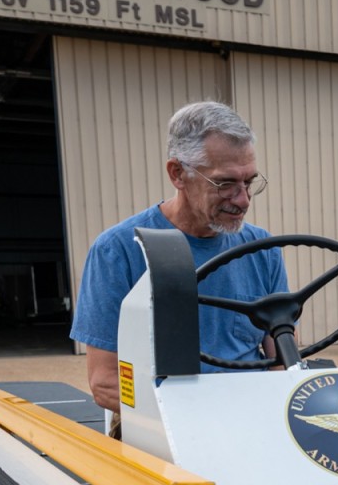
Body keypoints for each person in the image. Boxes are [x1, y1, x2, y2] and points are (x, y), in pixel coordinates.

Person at [70, 100, 288, 413]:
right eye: (225, 184)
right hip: (165, 421)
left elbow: (281, 356)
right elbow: (106, 383)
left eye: (249, 182)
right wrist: (196, 423)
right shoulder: (117, 251)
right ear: (178, 174)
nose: (243, 200)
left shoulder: (262, 248)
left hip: (250, 414)